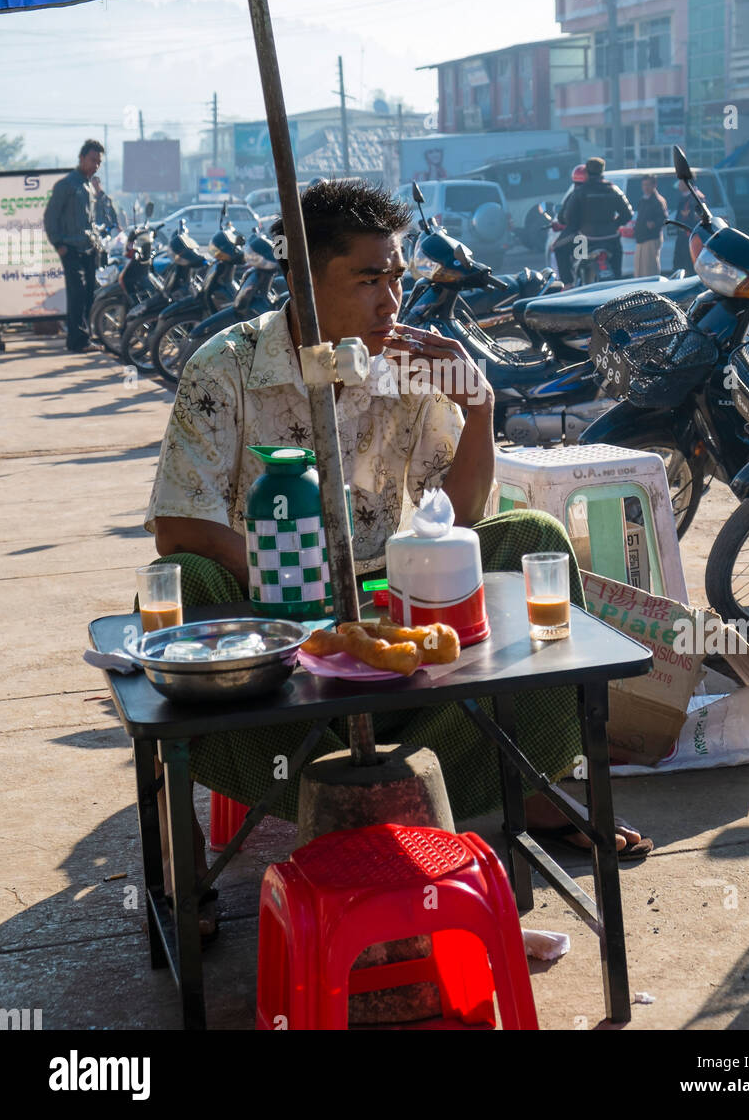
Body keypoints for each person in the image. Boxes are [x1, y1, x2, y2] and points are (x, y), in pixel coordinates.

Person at [144, 179, 651, 935]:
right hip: (274, 614)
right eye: (368, 279)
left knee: (530, 540)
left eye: (399, 278)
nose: (392, 302)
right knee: (181, 584)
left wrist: (480, 405)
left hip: (398, 604)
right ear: (302, 285)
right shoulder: (228, 365)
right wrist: (300, 589)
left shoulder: (413, 362)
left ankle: (535, 778)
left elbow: (468, 511)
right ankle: (180, 845)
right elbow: (181, 524)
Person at [43, 139, 105, 352]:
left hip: (89, 249)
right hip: (71, 249)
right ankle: (77, 341)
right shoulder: (66, 184)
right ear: (81, 158)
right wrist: (59, 244)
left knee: (89, 295)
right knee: (77, 294)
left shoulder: (89, 185)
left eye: (99, 161)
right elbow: (50, 218)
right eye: (92, 160)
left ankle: (83, 338)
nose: (96, 165)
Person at [555, 157, 632, 284]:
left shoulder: (580, 192)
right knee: (617, 275)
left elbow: (568, 217)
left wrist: (576, 225)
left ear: (587, 172)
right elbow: (628, 214)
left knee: (558, 248)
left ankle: (567, 284)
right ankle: (617, 284)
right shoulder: (613, 189)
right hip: (611, 239)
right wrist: (614, 224)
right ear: (602, 171)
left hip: (586, 240)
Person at [633, 174, 668, 278]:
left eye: (648, 184)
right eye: (644, 185)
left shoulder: (658, 200)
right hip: (641, 238)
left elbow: (664, 219)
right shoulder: (643, 200)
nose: (646, 187)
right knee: (639, 269)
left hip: (651, 238)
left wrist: (654, 224)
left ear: (654, 185)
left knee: (650, 269)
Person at [673, 178, 701, 273]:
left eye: (681, 181)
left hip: (690, 238)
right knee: (679, 265)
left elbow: (697, 219)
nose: (679, 184)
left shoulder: (696, 198)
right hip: (682, 237)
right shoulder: (683, 197)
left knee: (689, 267)